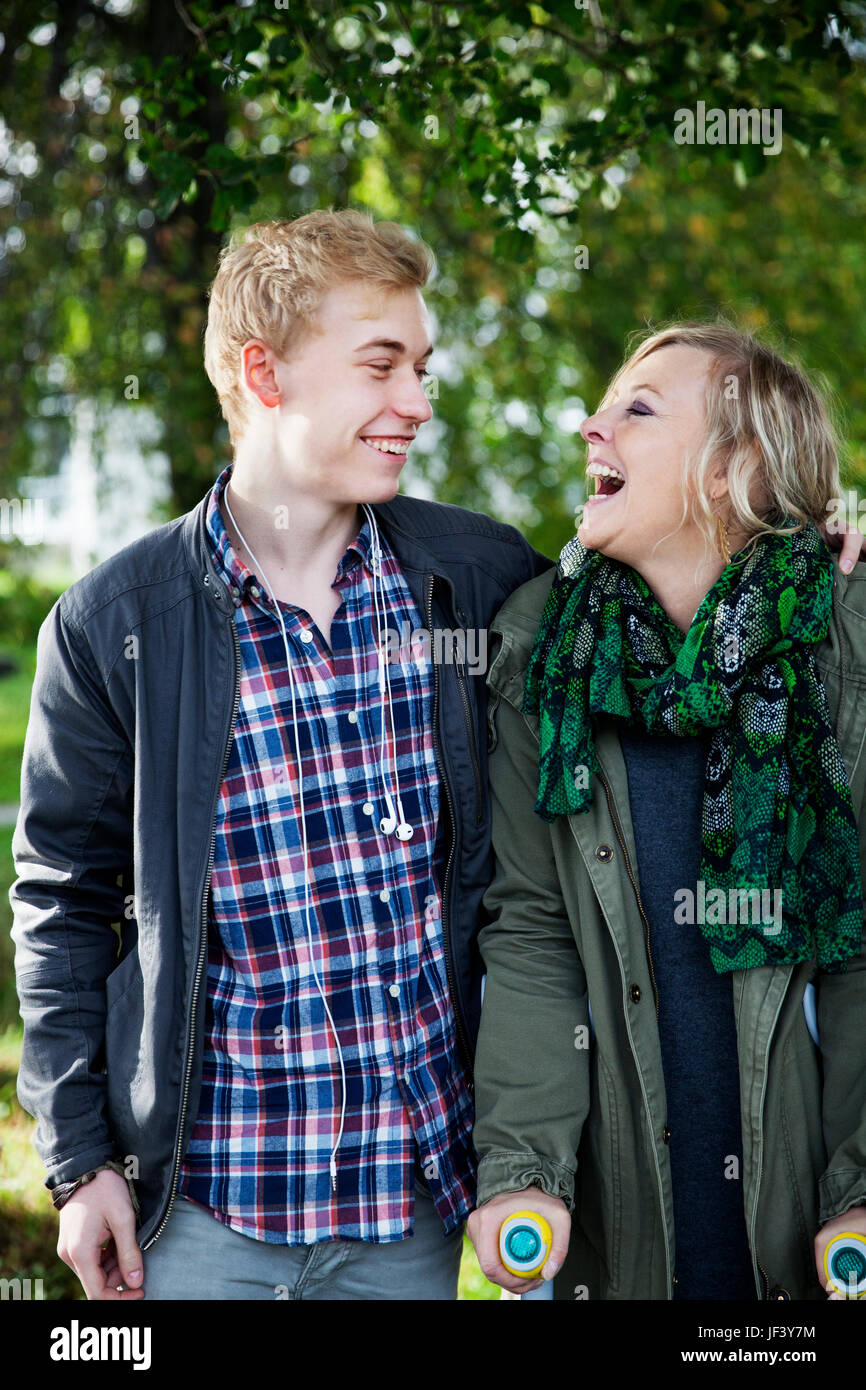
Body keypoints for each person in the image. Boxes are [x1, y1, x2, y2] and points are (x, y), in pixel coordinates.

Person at [9, 208, 554, 1301]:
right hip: (201, 1215)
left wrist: (806, 577)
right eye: (380, 366)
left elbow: (647, 634)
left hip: (409, 1217)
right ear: (264, 373)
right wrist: (78, 1163)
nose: (417, 401)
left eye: (421, 368)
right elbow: (63, 901)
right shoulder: (114, 624)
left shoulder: (476, 576)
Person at [466, 321, 866, 1301]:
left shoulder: (844, 646)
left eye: (636, 410)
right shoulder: (544, 651)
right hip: (624, 1230)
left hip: (810, 1232)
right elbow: (534, 935)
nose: (588, 426)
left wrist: (859, 1187)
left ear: (733, 471)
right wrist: (524, 1170)